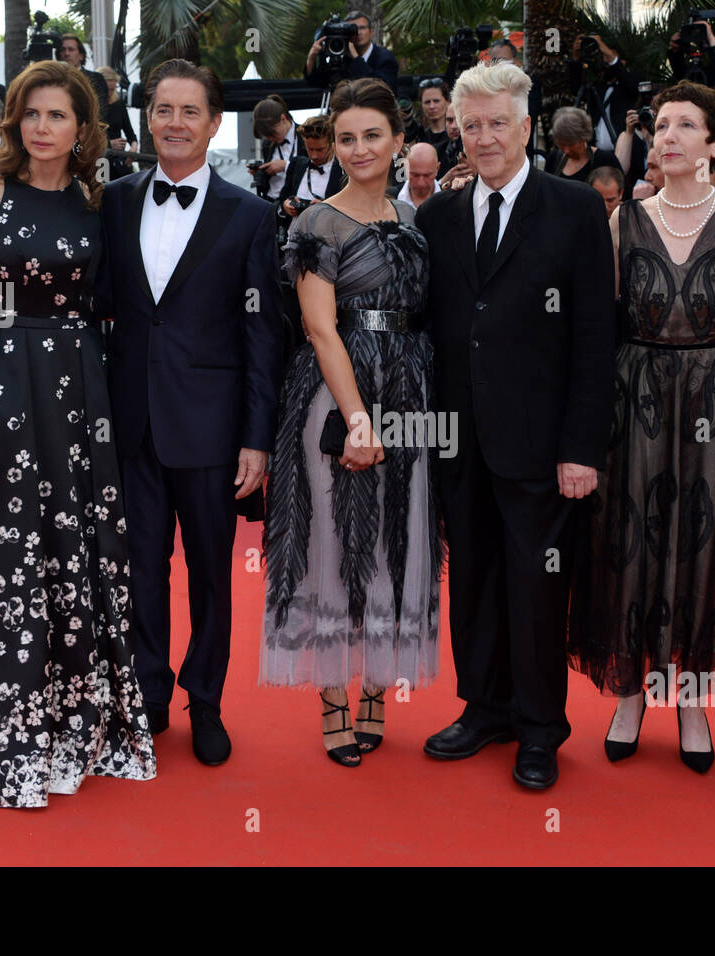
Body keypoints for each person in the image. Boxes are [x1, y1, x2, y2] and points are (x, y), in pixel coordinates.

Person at [0, 60, 157, 808]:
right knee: (0, 553)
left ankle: (70, 726)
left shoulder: (93, 199)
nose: (42, 129)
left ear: (83, 128)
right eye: (31, 115)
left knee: (75, 548)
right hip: (3, 382)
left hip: (81, 389)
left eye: (58, 117)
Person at [570, 80, 715, 774]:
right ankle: (629, 690)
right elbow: (591, 328)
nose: (667, 136)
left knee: (708, 543)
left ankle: (690, 698)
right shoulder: (621, 221)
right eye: (660, 124)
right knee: (630, 537)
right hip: (635, 401)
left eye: (685, 125)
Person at [416, 60, 614, 790]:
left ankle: (540, 729)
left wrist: (580, 447)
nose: (486, 136)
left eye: (499, 123)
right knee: (472, 579)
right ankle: (485, 708)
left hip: (542, 445)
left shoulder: (574, 209)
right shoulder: (437, 216)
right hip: (459, 441)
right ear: (457, 133)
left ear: (527, 127)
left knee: (537, 590)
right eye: (472, 126)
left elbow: (596, 338)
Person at [93, 58, 283, 766]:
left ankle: (206, 700)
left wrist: (256, 440)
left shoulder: (253, 215)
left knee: (209, 574)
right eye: (163, 109)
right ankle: (146, 696)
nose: (175, 123)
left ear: (212, 123)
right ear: (148, 117)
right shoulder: (114, 201)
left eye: (189, 112)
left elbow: (264, 337)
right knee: (140, 572)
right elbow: (99, 303)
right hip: (132, 423)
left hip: (211, 428)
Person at [262, 76, 439, 767]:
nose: (360, 149)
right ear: (329, 145)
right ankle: (334, 697)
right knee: (334, 541)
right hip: (337, 395)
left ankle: (375, 687)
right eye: (346, 138)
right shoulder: (315, 222)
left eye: (373, 135)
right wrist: (359, 420)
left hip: (411, 390)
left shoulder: (416, 218)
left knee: (398, 534)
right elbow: (319, 327)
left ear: (399, 141)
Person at [305, 11, 399, 93]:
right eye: (353, 29)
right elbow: (316, 83)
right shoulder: (341, 58)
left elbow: (384, 87)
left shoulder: (385, 57)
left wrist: (356, 59)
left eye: (362, 28)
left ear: (371, 32)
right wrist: (311, 58)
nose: (358, 33)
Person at [545, 106, 623, 183]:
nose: (566, 151)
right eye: (561, 145)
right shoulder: (554, 158)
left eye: (571, 144)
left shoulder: (605, 160)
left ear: (584, 137)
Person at [252, 95, 306, 201]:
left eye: (273, 133)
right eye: (266, 136)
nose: (271, 138)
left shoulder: (305, 136)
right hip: (272, 203)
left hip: (297, 203)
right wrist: (261, 171)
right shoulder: (267, 144)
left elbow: (317, 169)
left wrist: (286, 166)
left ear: (283, 119)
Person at [97, 66, 137, 179]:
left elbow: (130, 132)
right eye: (107, 90)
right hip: (100, 161)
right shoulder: (92, 107)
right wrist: (109, 144)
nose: (109, 93)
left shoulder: (119, 104)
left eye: (112, 90)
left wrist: (133, 148)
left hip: (119, 161)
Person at [59, 34, 109, 110]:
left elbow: (101, 109)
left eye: (71, 49)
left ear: (81, 56)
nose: (66, 54)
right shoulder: (53, 79)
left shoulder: (96, 79)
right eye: (63, 50)